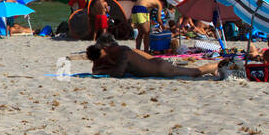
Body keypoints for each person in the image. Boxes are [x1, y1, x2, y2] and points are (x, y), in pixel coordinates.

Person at [87, 44, 224, 79]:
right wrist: (98, 67)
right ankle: (213, 69)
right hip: (156, 65)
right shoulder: (115, 52)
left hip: (161, 69)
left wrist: (101, 70)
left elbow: (118, 73)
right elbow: (96, 69)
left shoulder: (122, 53)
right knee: (193, 72)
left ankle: (215, 66)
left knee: (195, 72)